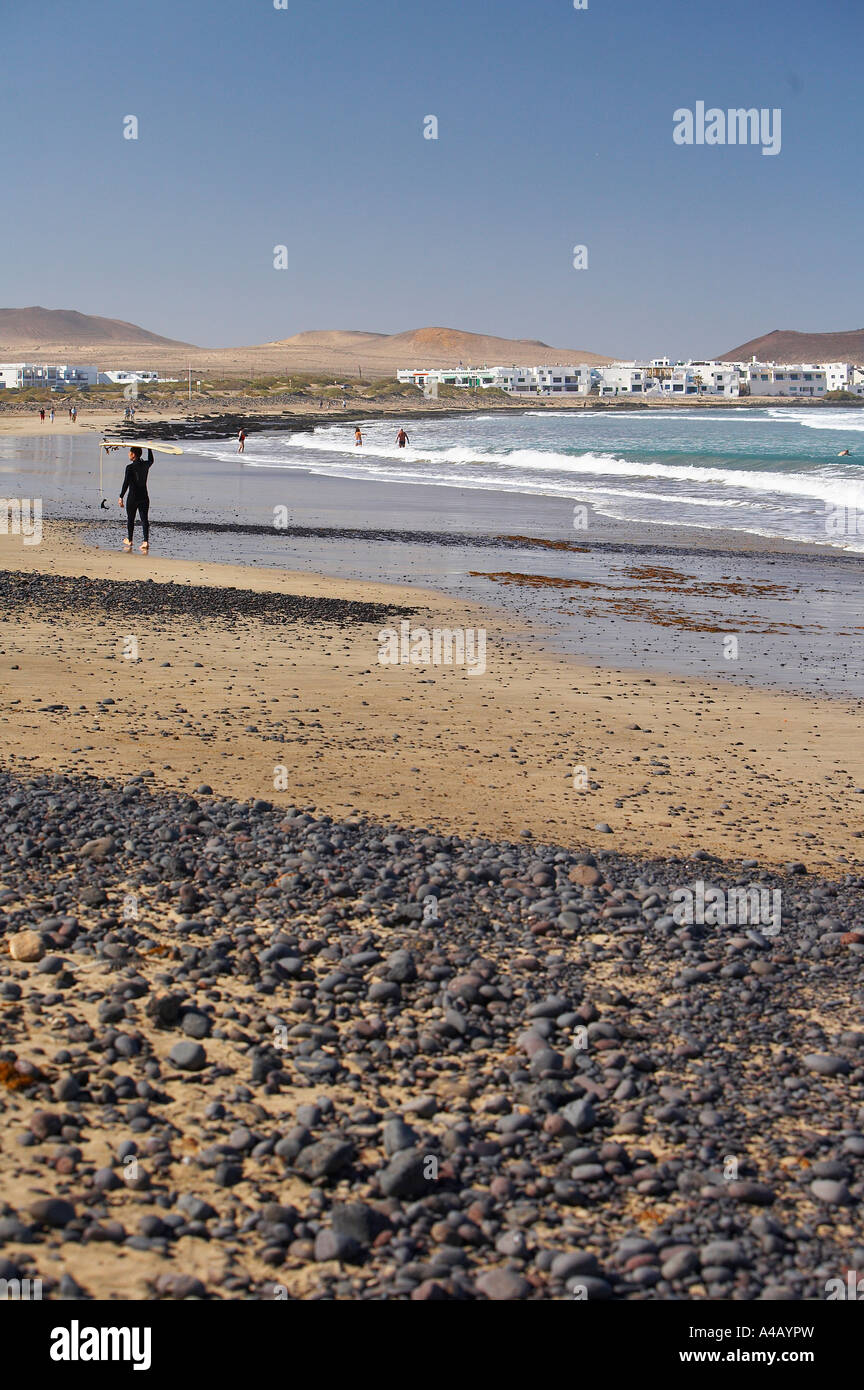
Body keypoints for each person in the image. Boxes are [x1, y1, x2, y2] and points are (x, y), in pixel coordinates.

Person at [119, 445, 154, 553]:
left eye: (130, 452)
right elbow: (151, 460)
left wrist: (121, 496)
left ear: (133, 454)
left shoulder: (129, 468)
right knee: (144, 519)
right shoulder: (145, 465)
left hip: (133, 497)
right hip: (144, 497)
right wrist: (149, 448)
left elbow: (126, 483)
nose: (129, 454)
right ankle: (145, 541)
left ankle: (129, 540)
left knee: (131, 519)